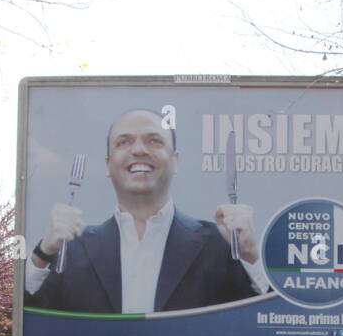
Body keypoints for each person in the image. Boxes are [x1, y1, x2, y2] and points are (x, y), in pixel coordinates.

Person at [24, 108, 270, 314]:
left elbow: (262, 322)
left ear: (175, 161)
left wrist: (251, 255)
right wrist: (42, 253)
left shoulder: (221, 244)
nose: (139, 150)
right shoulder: (71, 248)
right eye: (123, 142)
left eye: (154, 140)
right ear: (108, 166)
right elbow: (33, 321)